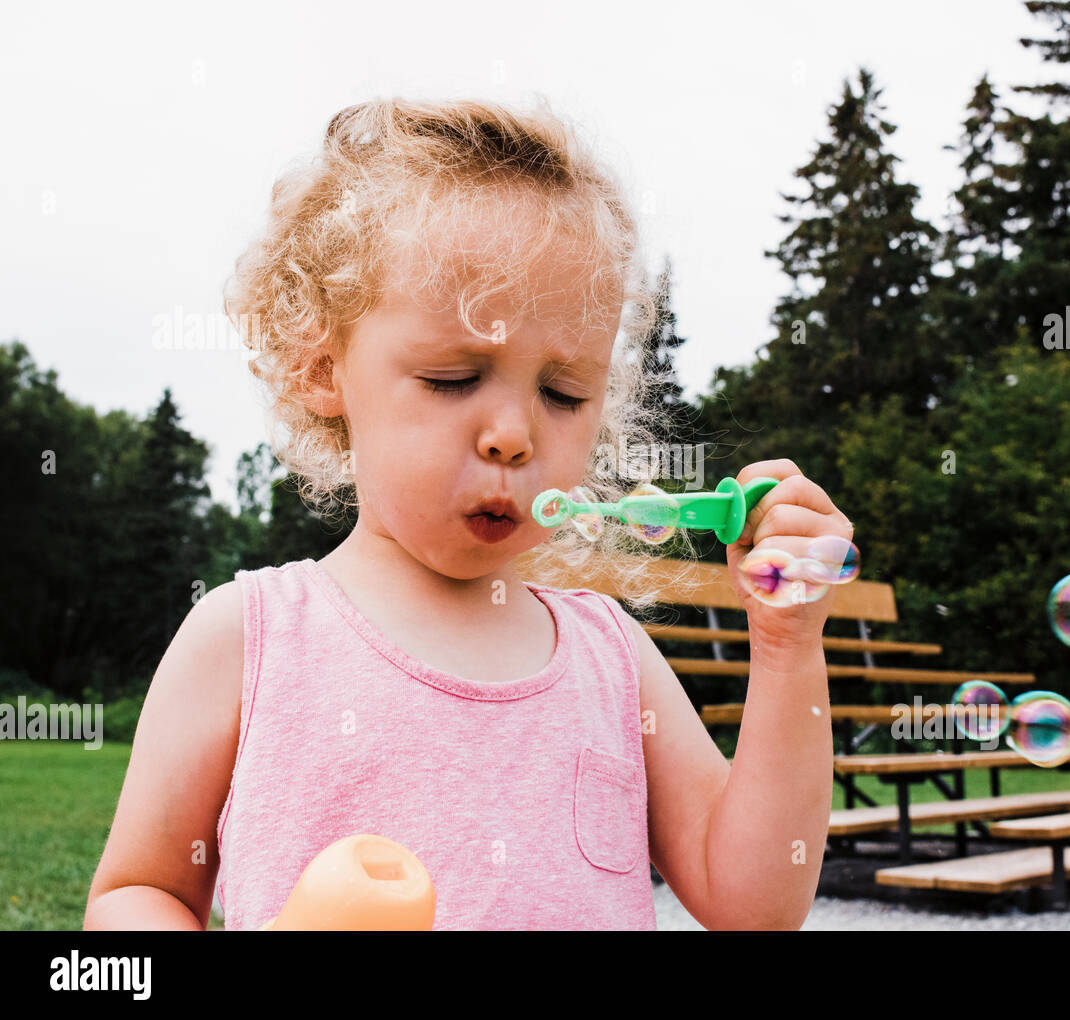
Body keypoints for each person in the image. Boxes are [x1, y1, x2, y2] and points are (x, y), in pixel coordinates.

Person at [83, 96, 852, 931]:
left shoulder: (611, 661)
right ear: (319, 364)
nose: (514, 436)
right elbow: (138, 892)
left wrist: (785, 647)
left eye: (563, 394)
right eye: (454, 378)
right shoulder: (250, 638)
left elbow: (757, 905)